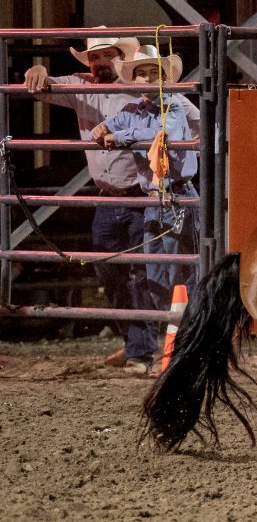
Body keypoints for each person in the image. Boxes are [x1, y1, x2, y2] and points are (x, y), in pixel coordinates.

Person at [21, 32, 146, 369]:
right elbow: (46, 84)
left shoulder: (138, 88)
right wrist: (38, 68)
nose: (100, 63)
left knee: (141, 272)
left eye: (106, 56)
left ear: (122, 58)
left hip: (141, 196)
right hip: (107, 197)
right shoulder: (81, 86)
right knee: (108, 272)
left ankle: (141, 348)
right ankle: (137, 342)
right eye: (95, 58)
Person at [92, 45, 200, 376]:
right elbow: (107, 128)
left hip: (180, 195)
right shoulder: (131, 110)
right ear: (135, 79)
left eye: (156, 73)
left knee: (194, 274)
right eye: (143, 73)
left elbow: (165, 135)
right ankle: (176, 348)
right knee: (159, 279)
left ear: (165, 78)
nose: (149, 78)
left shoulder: (175, 105)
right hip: (157, 198)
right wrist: (103, 131)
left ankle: (192, 348)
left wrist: (118, 137)